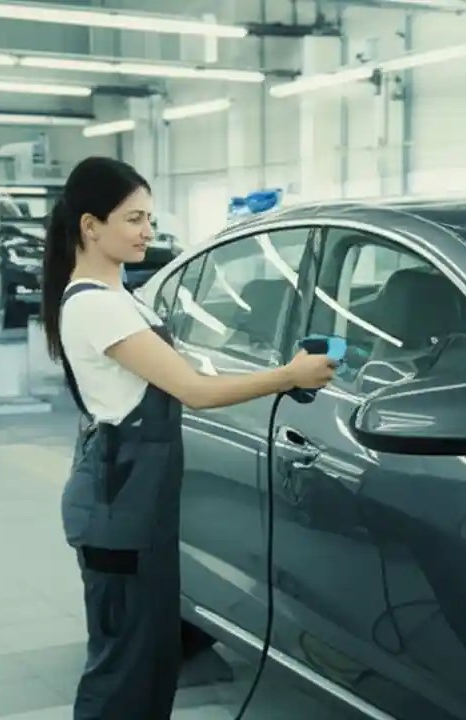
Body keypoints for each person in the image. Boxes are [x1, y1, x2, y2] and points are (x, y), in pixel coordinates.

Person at [39, 156, 335, 719]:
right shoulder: (97, 306)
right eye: (133, 219)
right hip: (117, 513)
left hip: (135, 509)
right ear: (90, 225)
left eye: (149, 217)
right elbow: (192, 390)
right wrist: (289, 376)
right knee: (123, 672)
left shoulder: (122, 297)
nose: (148, 231)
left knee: (151, 666)